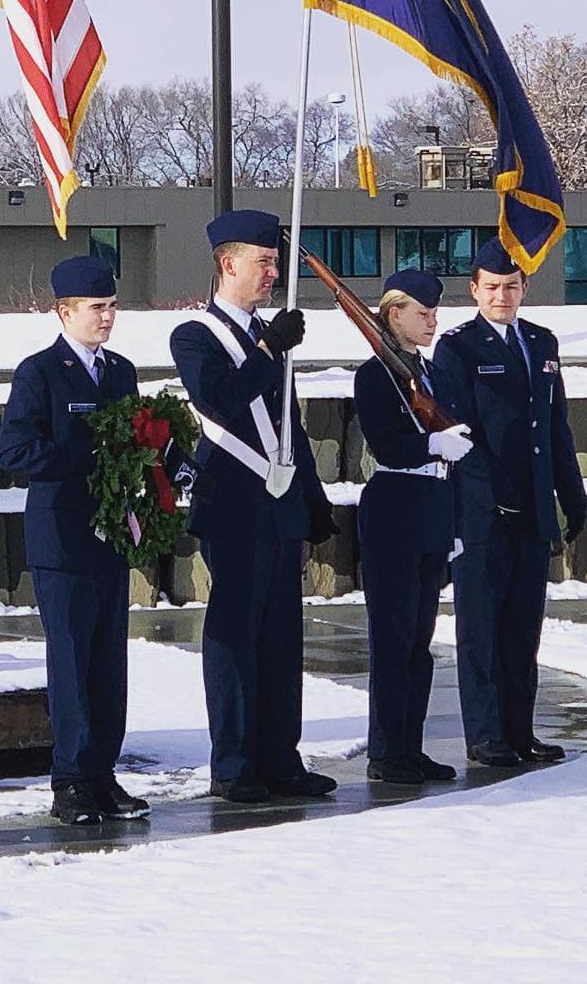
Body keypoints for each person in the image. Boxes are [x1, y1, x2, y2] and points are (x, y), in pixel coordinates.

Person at [168, 209, 338, 804]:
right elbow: (219, 400)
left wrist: (312, 501)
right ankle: (235, 763)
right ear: (228, 264)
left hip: (279, 500)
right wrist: (267, 350)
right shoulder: (195, 336)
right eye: (263, 263)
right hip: (233, 502)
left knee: (281, 638)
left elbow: (286, 428)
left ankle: (278, 757)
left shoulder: (270, 337)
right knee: (235, 634)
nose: (272, 273)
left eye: (274, 262)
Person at [0, 255, 148, 828]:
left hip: (109, 535)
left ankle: (103, 774)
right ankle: (70, 780)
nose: (107, 318)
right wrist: (91, 455)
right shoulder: (40, 372)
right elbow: (15, 453)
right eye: (96, 308)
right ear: (65, 312)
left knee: (108, 662)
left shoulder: (120, 372)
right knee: (70, 661)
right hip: (61, 538)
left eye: (112, 307)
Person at [432, 238, 587, 768]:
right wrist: (487, 495)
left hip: (533, 510)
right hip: (482, 511)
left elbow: (556, 428)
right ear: (474, 289)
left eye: (512, 286)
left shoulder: (541, 343)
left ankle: (521, 731)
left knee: (523, 629)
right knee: (481, 629)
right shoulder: (458, 348)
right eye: (492, 287)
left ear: (525, 289)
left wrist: (572, 493)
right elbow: (460, 432)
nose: (503, 296)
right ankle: (486, 735)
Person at [353, 269, 470, 787]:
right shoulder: (374, 374)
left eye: (434, 313)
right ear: (393, 313)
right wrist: (432, 446)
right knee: (393, 640)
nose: (431, 322)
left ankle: (411, 745)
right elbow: (386, 444)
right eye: (421, 313)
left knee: (419, 644)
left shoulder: (428, 372)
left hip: (431, 506)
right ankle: (386, 751)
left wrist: (454, 520)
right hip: (395, 505)